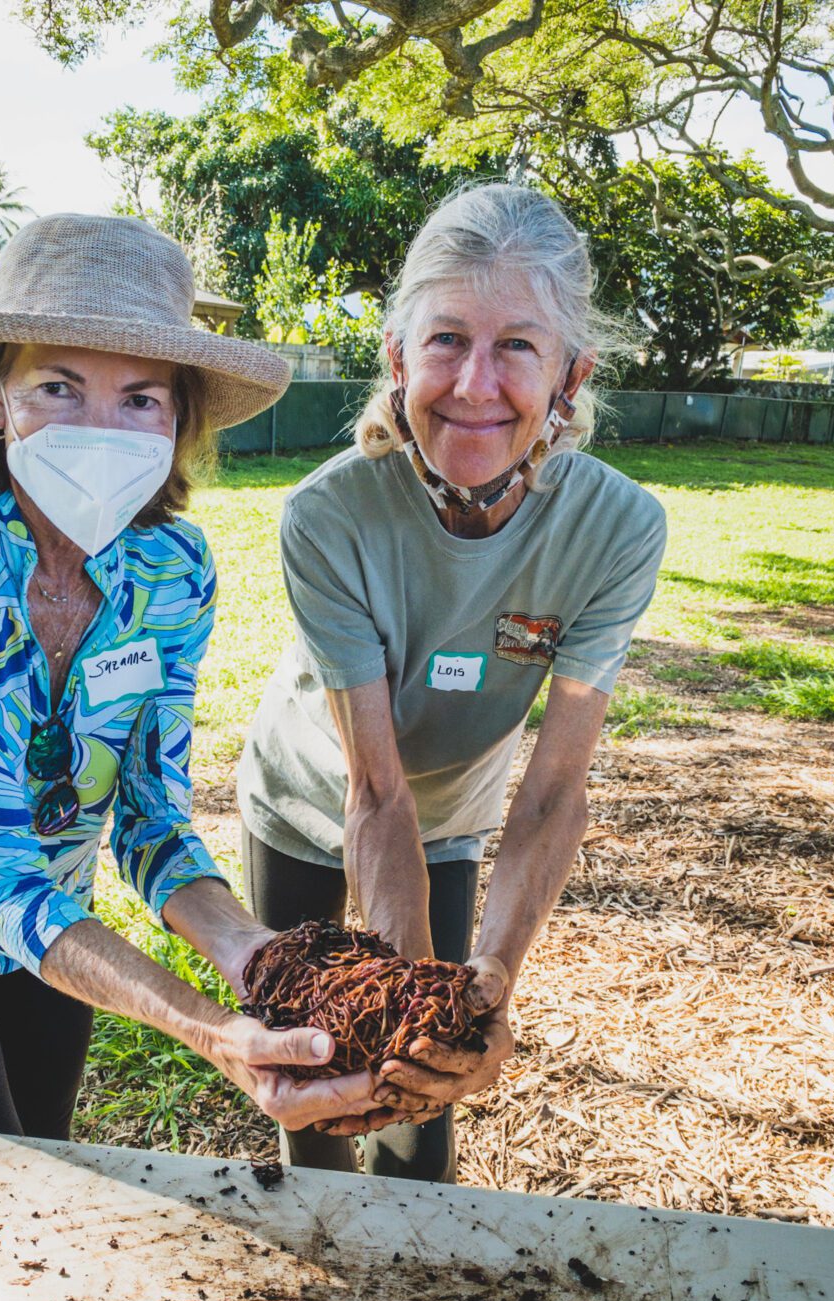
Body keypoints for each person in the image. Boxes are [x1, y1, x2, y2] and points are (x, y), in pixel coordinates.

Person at [0, 213, 398, 1142]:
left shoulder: (173, 570)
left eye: (141, 399)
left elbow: (153, 821)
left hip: (55, 929)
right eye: (59, 386)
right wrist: (209, 1030)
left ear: (178, 416)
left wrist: (259, 959)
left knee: (48, 1161)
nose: (100, 428)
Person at [238, 183, 668, 1182]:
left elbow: (555, 787)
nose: (476, 382)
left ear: (572, 376)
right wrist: (399, 1008)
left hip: (452, 821)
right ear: (397, 362)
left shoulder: (616, 529)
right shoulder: (327, 518)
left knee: (421, 1128)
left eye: (518, 345)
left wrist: (484, 995)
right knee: (322, 1093)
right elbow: (373, 791)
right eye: (445, 342)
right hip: (309, 801)